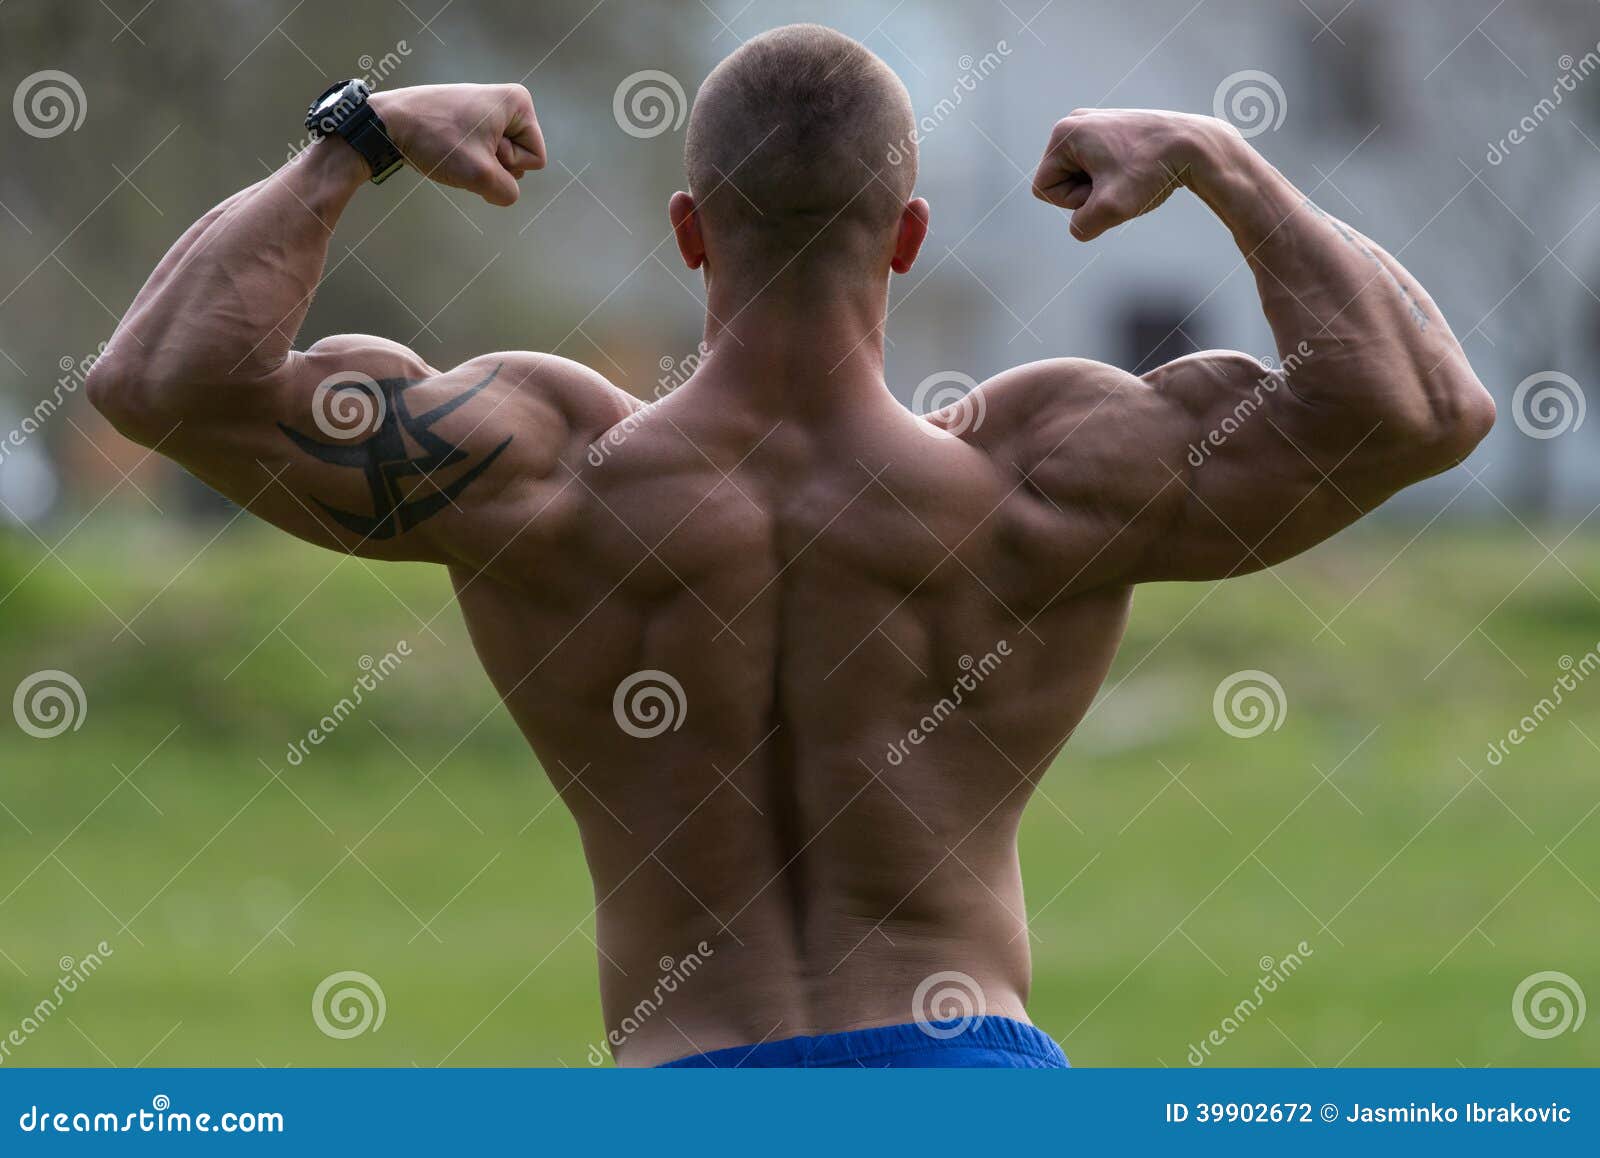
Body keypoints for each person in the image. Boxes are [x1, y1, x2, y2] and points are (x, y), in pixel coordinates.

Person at [86, 24, 1494, 1067]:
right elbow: (1419, 408)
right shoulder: (1041, 480)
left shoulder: (542, 472)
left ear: (692, 233)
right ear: (910, 238)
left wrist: (362, 133)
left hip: (689, 1080)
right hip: (966, 1080)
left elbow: (160, 378)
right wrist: (1218, 159)